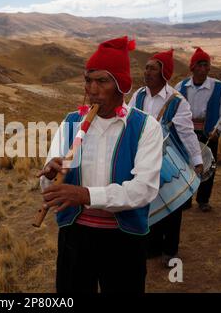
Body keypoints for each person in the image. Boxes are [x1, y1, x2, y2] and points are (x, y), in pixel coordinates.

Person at [38, 36, 163, 293]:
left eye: (102, 81)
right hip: (75, 235)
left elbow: (144, 189)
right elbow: (47, 186)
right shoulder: (71, 122)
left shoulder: (145, 127)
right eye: (88, 80)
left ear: (121, 85)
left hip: (124, 240)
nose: (92, 89)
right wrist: (50, 175)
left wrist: (84, 194)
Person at [129, 49, 203, 266]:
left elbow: (188, 134)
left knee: (172, 204)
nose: (147, 71)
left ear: (164, 73)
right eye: (147, 67)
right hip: (143, 160)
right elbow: (128, 121)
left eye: (153, 68)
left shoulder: (177, 101)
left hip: (170, 159)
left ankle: (170, 250)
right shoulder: (138, 95)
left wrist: (197, 160)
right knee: (149, 201)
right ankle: (152, 246)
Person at [175, 47, 221, 212]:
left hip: (209, 134)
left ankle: (203, 200)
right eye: (199, 65)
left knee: (208, 166)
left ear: (209, 67)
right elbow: (174, 110)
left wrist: (218, 129)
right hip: (185, 134)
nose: (202, 69)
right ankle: (184, 200)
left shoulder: (219, 87)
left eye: (205, 65)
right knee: (185, 166)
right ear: (192, 67)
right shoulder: (181, 87)